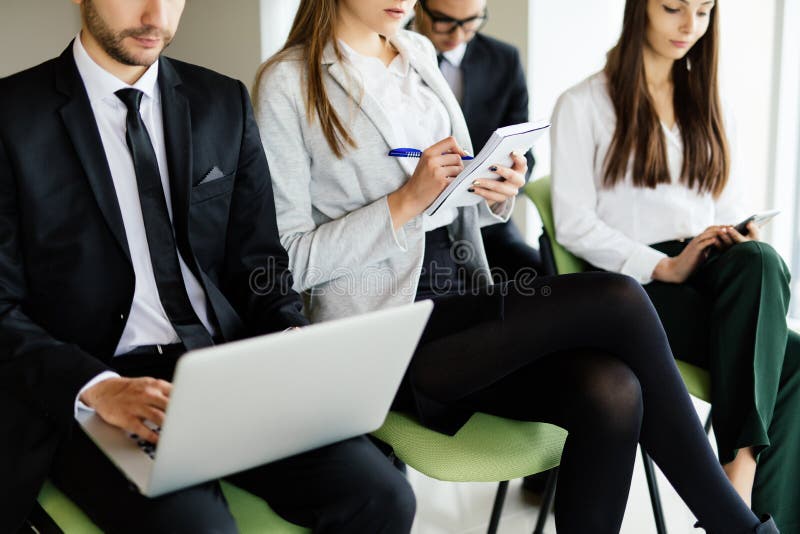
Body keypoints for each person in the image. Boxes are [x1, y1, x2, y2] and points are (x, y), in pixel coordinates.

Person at [253, 0, 777, 532]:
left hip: (461, 301)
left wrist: (492, 192)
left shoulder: (416, 52)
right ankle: (737, 525)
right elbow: (289, 260)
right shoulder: (287, 82)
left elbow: (452, 198)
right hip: (381, 331)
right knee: (617, 296)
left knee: (613, 390)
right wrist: (405, 202)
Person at [0, 0, 415, 532]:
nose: (157, 15)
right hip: (94, 384)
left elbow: (258, 264)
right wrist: (97, 387)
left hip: (224, 369)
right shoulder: (10, 117)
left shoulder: (222, 101)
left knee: (382, 494)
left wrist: (294, 340)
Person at [550, 0, 800, 531]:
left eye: (705, 11)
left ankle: (742, 477)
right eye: (673, 7)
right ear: (640, 9)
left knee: (758, 257)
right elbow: (573, 224)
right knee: (787, 353)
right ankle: (745, 501)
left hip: (714, 271)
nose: (690, 25)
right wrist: (665, 267)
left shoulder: (709, 102)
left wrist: (736, 231)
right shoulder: (583, 103)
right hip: (636, 287)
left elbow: (724, 204)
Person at [411, 0, 543, 281]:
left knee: (542, 277)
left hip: (484, 216)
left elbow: (525, 153)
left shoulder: (504, 60)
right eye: (444, 21)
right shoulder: (389, 56)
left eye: (471, 22)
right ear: (417, 6)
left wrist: (509, 180)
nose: (458, 35)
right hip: (417, 218)